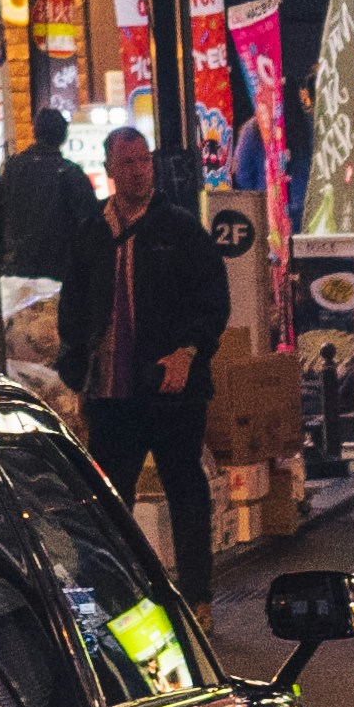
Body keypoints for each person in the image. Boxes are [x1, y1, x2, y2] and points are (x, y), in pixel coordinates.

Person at [67, 121, 230, 595]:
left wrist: (188, 351)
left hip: (170, 389)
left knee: (186, 491)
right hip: (112, 393)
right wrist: (79, 369)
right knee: (109, 499)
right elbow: (73, 309)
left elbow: (213, 301)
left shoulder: (180, 229)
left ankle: (197, 597)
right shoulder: (91, 233)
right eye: (128, 164)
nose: (139, 172)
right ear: (109, 171)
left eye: (144, 162)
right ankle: (115, 596)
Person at [0, 103, 106, 376]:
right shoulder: (69, 173)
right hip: (56, 283)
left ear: (35, 131)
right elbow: (90, 229)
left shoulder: (11, 169)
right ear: (64, 136)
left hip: (13, 280)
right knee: (51, 362)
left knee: (18, 362)